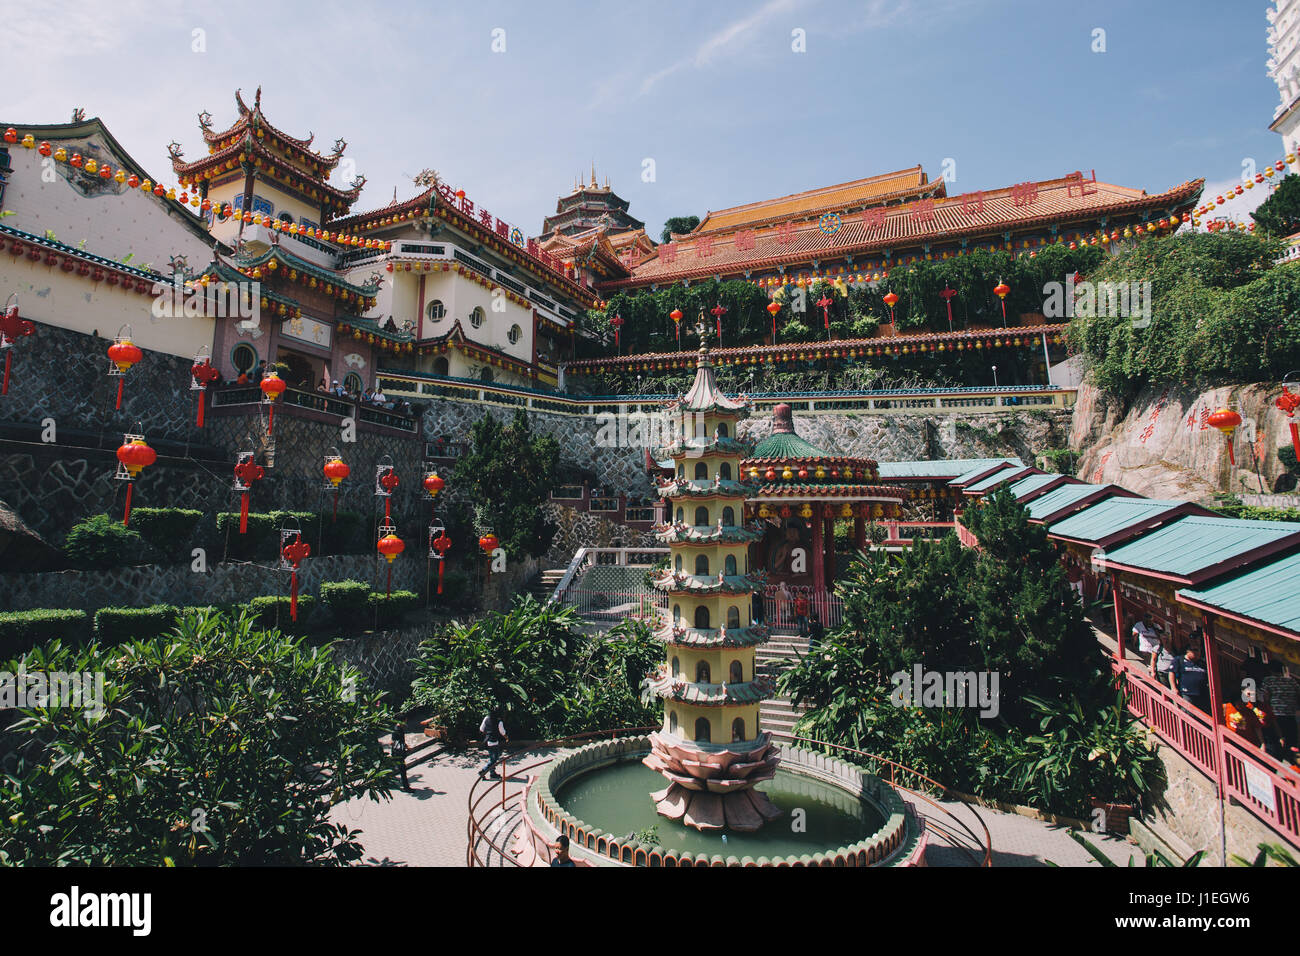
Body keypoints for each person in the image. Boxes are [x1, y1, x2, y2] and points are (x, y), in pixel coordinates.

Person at [1262, 661, 1300, 758]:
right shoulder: (1291, 681)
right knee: (1291, 740)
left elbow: (1266, 697)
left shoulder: (1268, 680)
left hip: (1276, 715)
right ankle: (1292, 760)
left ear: (1270, 670)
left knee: (1279, 739)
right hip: (1290, 714)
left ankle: (1281, 758)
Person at [1171, 645, 1210, 714]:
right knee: (1188, 713)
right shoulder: (1179, 660)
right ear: (1188, 651)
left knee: (1202, 713)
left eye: (1199, 650)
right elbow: (1172, 673)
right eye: (1195, 650)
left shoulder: (1202, 663)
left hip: (1201, 693)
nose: (1198, 653)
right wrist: (1174, 688)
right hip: (1187, 693)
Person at [478, 708, 508, 780]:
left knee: (492, 758)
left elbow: (481, 729)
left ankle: (492, 773)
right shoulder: (499, 722)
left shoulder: (486, 718)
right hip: (494, 742)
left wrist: (488, 733)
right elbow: (502, 732)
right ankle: (483, 771)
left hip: (487, 741)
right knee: (494, 760)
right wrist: (506, 737)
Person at [391, 723, 410, 791]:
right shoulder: (397, 730)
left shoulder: (399, 728)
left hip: (398, 753)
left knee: (401, 770)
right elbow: (393, 742)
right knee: (402, 770)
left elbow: (401, 741)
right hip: (398, 754)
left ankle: (405, 787)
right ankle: (406, 788)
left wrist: (406, 746)